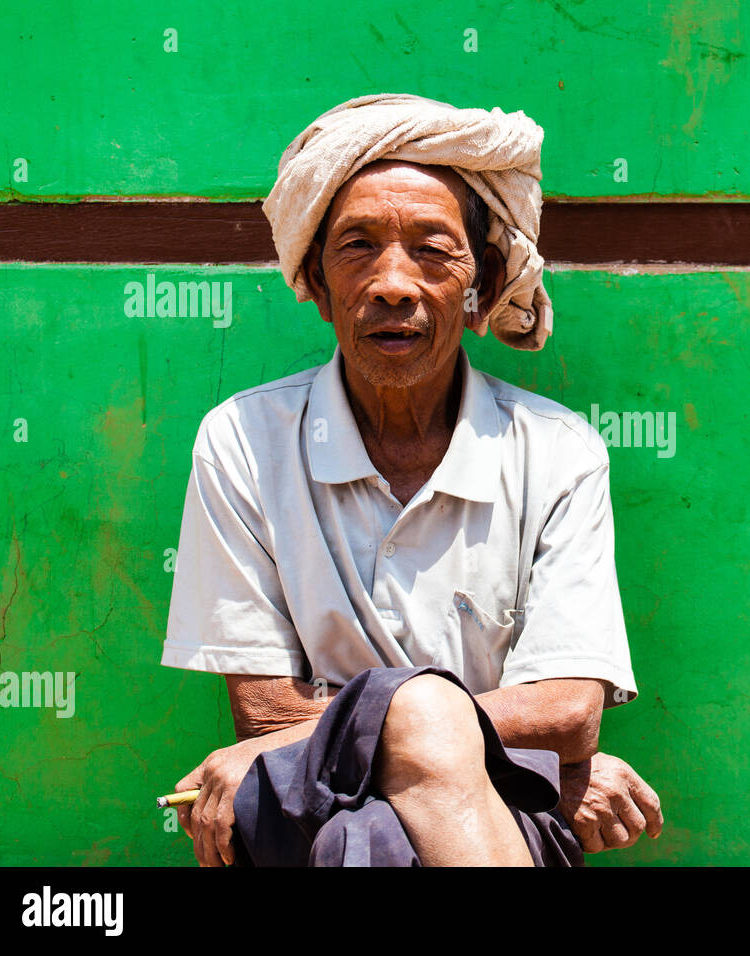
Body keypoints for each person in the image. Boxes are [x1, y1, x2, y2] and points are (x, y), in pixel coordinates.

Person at [159, 94, 662, 866]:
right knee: (365, 835)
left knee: (372, 839)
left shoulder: (558, 451)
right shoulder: (244, 441)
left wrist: (423, 732)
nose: (393, 283)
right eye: (358, 247)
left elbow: (566, 711)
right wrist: (500, 753)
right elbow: (263, 718)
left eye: (433, 250)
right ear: (320, 287)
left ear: (483, 287)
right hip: (322, 807)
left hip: (497, 809)